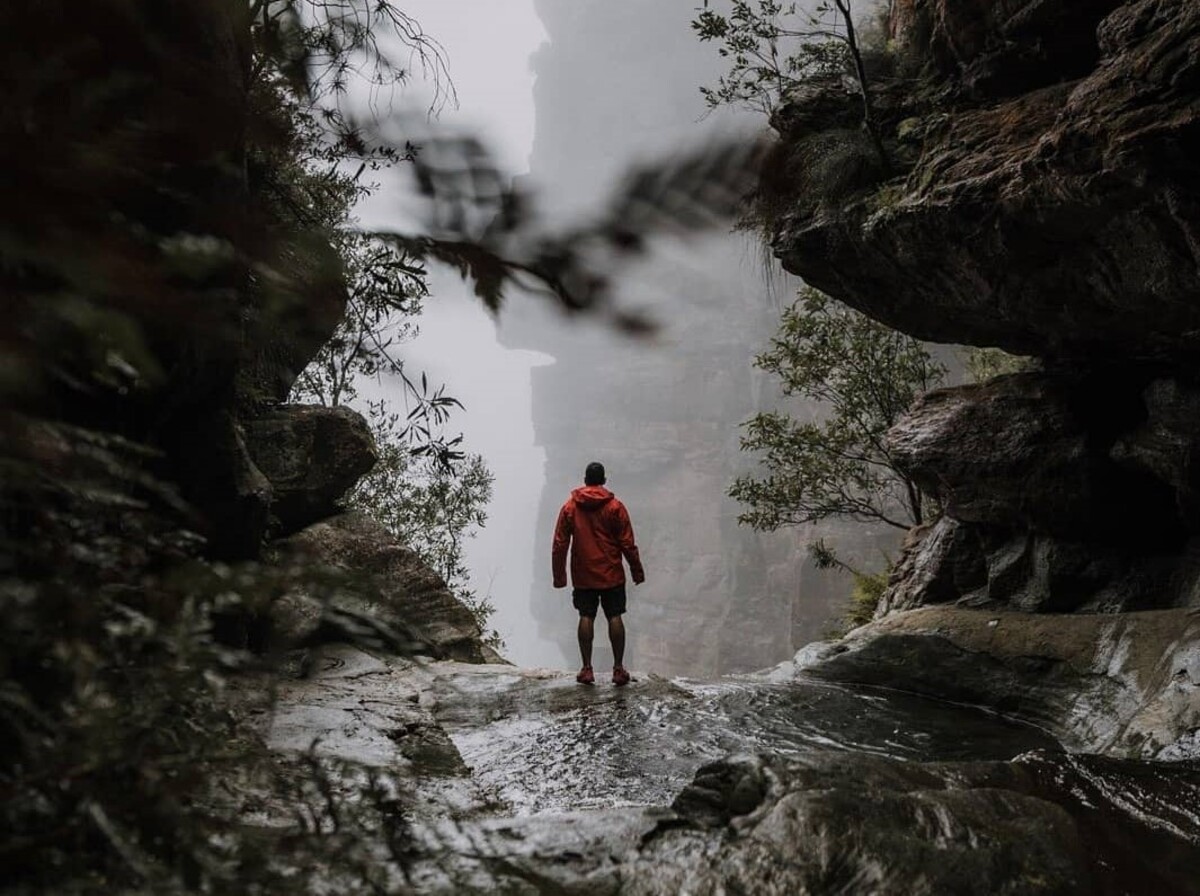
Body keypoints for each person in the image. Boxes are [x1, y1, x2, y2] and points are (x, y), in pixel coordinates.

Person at [552, 461, 644, 686]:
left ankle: (586, 669)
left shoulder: (570, 508)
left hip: (583, 574)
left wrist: (559, 576)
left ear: (585, 479)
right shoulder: (615, 507)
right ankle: (619, 669)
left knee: (586, 615)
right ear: (604, 480)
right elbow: (627, 543)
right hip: (611, 572)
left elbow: (559, 543)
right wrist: (636, 570)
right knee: (615, 616)